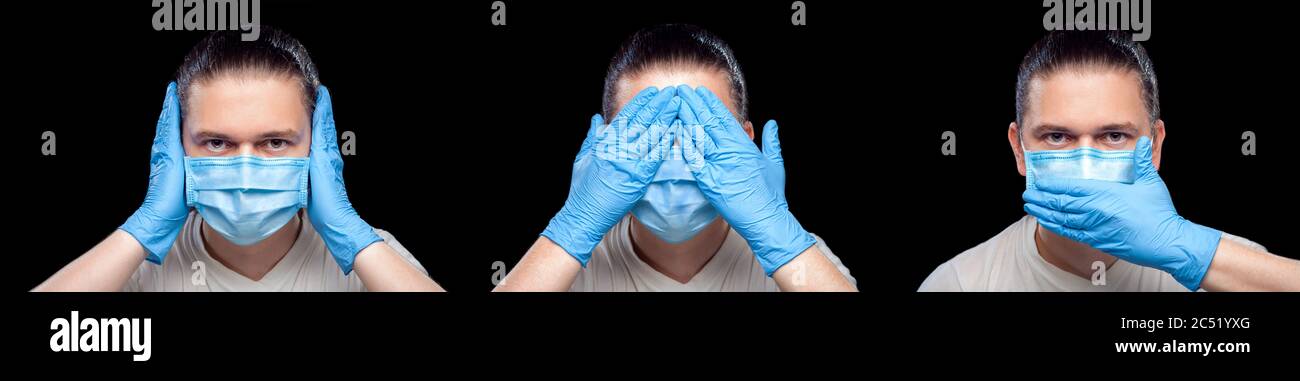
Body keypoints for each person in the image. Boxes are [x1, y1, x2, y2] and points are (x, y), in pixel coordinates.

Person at [34, 28, 441, 292]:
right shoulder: (133, 267)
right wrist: (142, 232)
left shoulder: (373, 259)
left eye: (275, 142)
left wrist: (352, 237)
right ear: (176, 148)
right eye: (216, 143)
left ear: (318, 148)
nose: (245, 171)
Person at [496, 24, 856, 291]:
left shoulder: (800, 261)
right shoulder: (566, 268)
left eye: (700, 130)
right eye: (650, 133)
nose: (675, 156)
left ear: (746, 143)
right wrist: (573, 227)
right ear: (604, 145)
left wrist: (775, 231)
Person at [920, 31, 1282, 292]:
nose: (1086, 166)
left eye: (1113, 136)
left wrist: (1185, 251)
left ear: (1154, 147)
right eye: (1057, 137)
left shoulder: (1238, 274)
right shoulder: (960, 284)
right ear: (1019, 150)